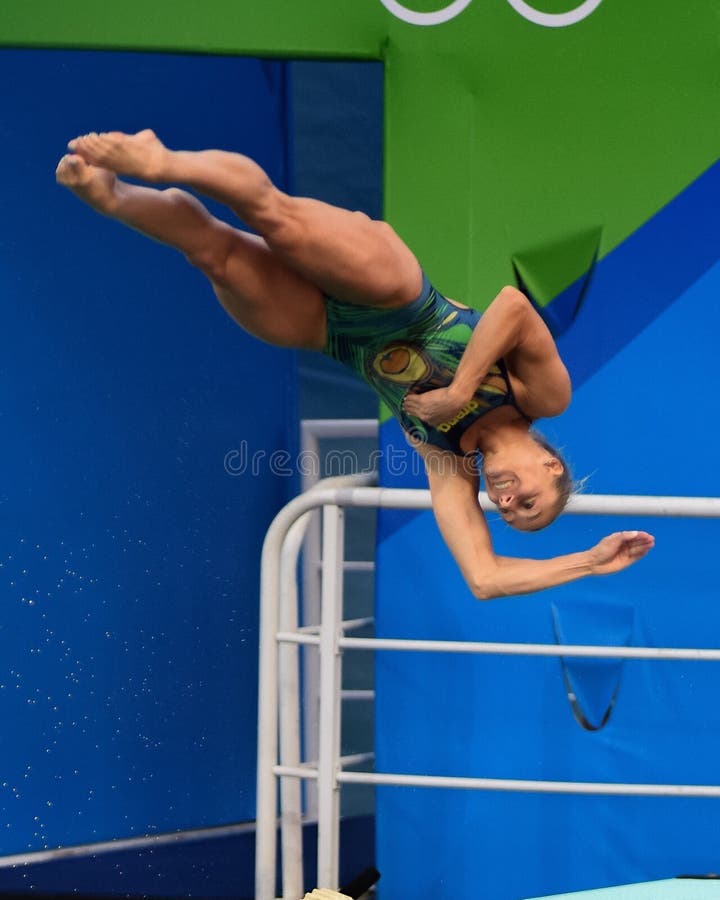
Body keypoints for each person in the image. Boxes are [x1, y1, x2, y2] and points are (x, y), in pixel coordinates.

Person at [55, 129, 654, 600]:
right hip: (396, 294)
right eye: (530, 501)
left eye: (510, 515)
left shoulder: (449, 465)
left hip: (332, 336)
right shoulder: (542, 398)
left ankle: (115, 196)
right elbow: (513, 307)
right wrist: (458, 390)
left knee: (213, 253)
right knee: (274, 216)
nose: (507, 502)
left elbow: (484, 579)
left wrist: (589, 563)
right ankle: (163, 162)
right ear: (550, 464)